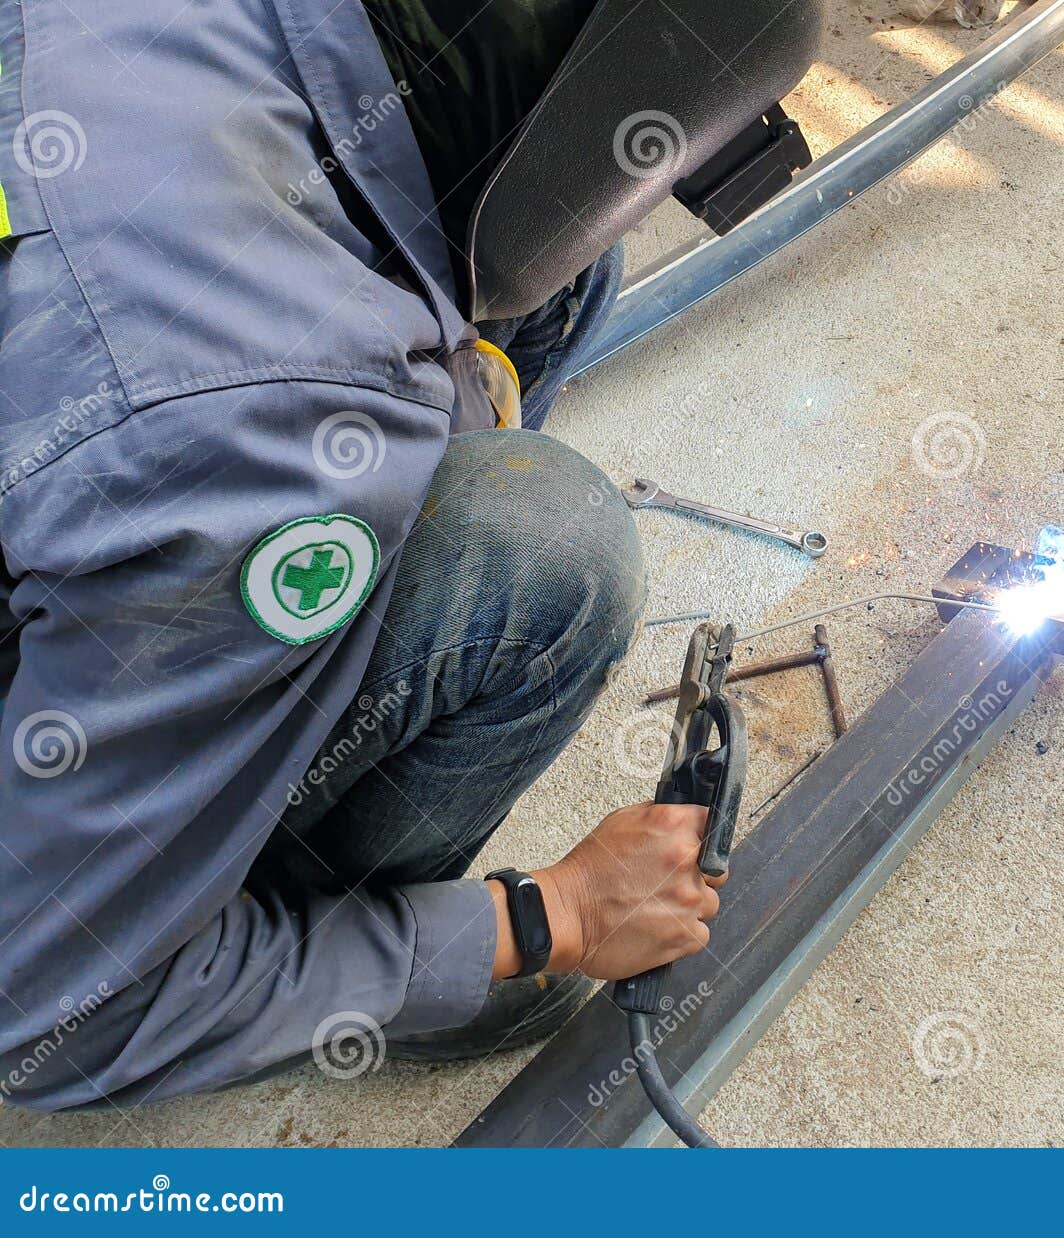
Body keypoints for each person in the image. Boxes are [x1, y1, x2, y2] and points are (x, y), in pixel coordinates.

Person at [0, 0, 719, 1110]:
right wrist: (549, 917)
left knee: (563, 268)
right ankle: (311, 932)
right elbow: (43, 1020)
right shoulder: (243, 437)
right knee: (541, 553)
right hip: (39, 818)